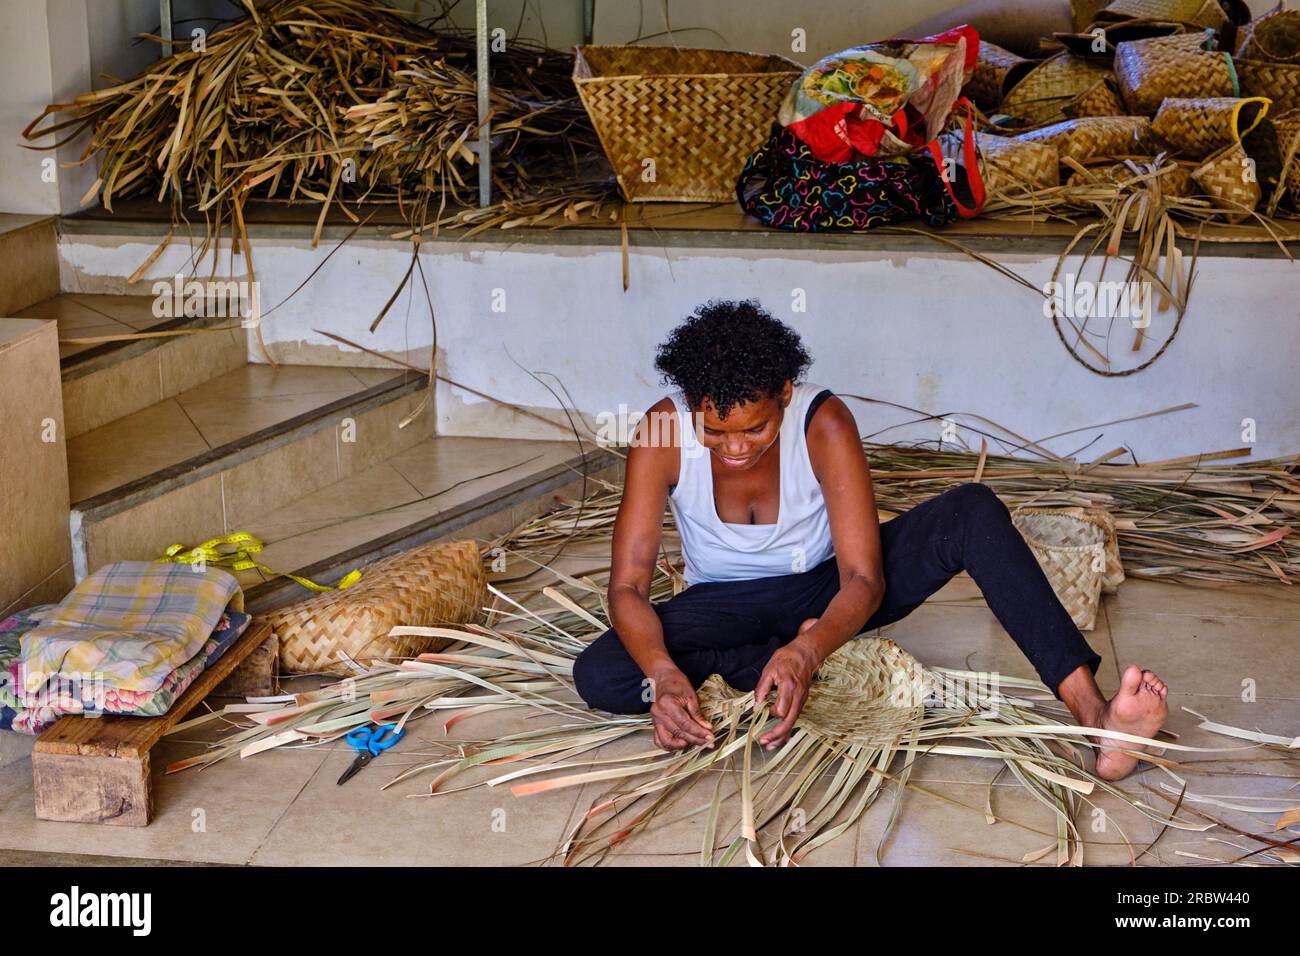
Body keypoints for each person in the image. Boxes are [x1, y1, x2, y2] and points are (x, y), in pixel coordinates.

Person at [573, 300, 1168, 781]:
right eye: (715, 431)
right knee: (601, 673)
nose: (734, 448)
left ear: (783, 392)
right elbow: (627, 585)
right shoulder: (661, 433)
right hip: (721, 607)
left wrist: (810, 647)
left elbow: (864, 577)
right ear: (691, 406)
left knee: (971, 511)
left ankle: (1096, 718)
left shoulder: (823, 422)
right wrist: (661, 671)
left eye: (755, 428)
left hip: (828, 593)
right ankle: (788, 665)